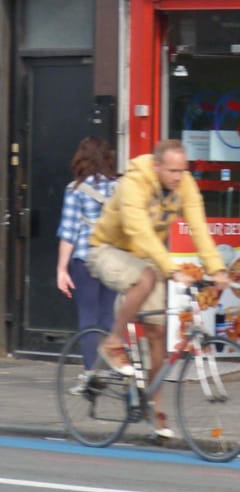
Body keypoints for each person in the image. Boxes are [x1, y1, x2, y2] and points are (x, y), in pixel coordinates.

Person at [87, 138, 230, 438]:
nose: (178, 177)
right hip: (107, 249)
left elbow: (198, 227)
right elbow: (139, 231)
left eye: (183, 170)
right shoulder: (134, 182)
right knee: (147, 279)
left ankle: (153, 407)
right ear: (156, 166)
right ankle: (112, 343)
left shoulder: (185, 185)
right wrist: (172, 270)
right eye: (172, 171)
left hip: (143, 258)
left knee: (157, 334)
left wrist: (216, 268)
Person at [56, 136, 119, 374]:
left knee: (88, 316)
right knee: (108, 315)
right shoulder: (118, 188)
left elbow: (69, 232)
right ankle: (113, 368)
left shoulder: (75, 190)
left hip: (86, 258)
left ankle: (91, 373)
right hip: (113, 257)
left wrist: (61, 269)